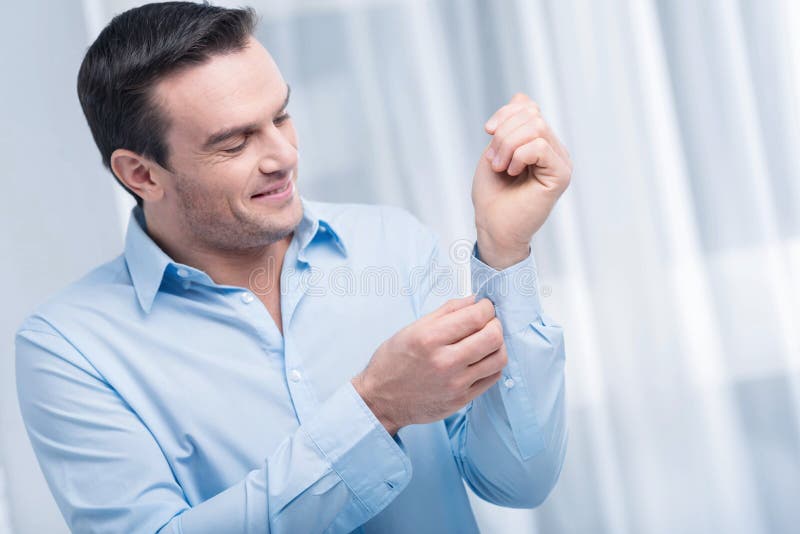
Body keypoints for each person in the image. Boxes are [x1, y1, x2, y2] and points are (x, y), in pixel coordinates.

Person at [15, 2, 572, 533]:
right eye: (235, 143)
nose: (283, 155)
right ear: (141, 174)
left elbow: (518, 481)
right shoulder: (69, 350)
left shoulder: (392, 243)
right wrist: (375, 410)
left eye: (281, 115)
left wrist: (504, 253)